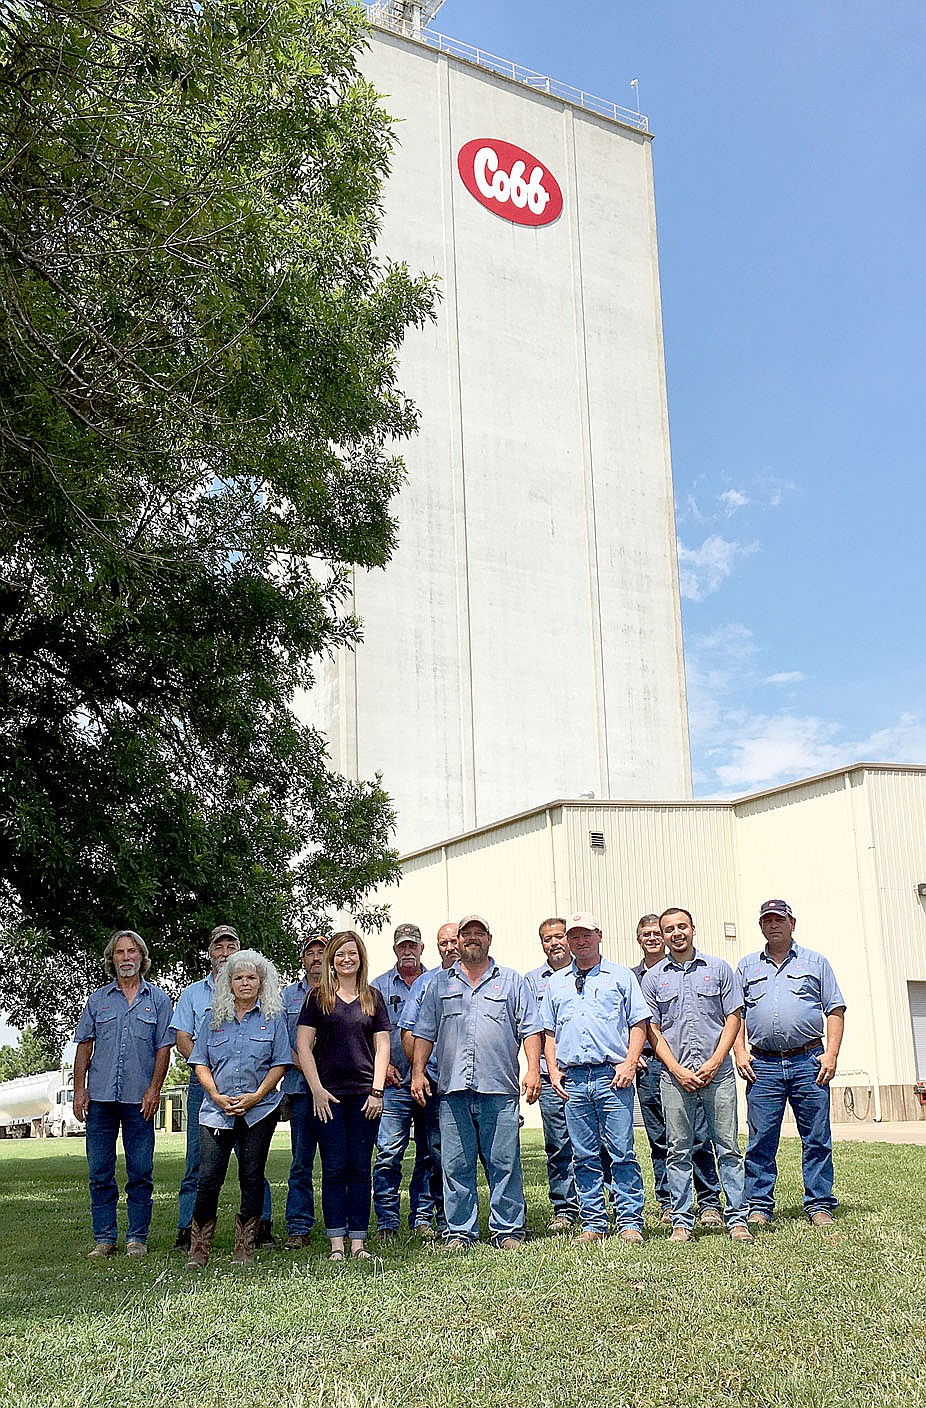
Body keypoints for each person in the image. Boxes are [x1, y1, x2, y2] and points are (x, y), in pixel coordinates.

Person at [411, 914, 542, 1251]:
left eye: (477, 933)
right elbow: (424, 1032)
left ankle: (508, 1231)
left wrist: (531, 1070)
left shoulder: (512, 981)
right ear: (457, 941)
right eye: (464, 934)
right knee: (455, 1164)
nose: (470, 939)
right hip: (452, 1088)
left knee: (504, 1162)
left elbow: (529, 1028)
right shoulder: (439, 984)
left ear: (489, 938)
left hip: (499, 1088)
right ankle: (459, 1232)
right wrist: (418, 1071)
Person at [641, 907, 752, 1243]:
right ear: (662, 935)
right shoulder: (653, 978)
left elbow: (733, 1016)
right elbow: (652, 1029)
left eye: (682, 927)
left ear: (693, 929)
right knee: (677, 1150)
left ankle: (737, 1220)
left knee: (728, 1147)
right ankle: (681, 1222)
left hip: (717, 1075)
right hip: (674, 1079)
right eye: (669, 929)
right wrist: (674, 1068)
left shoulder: (718, 969)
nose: (676, 933)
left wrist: (718, 1060)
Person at [734, 898, 847, 1228]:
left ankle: (819, 1204)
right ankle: (758, 1205)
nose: (773, 925)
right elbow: (736, 1015)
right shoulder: (747, 966)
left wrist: (832, 1054)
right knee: (761, 1139)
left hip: (809, 1061)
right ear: (761, 926)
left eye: (779, 920)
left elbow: (835, 1010)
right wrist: (740, 1052)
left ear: (792, 923)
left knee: (816, 1137)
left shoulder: (816, 962)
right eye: (767, 920)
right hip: (763, 1064)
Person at [542, 913, 649, 1244]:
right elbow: (549, 1031)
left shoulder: (619, 976)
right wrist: (553, 1068)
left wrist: (630, 1063)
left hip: (611, 1076)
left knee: (622, 1152)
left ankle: (630, 1220)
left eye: (586, 935)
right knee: (583, 1154)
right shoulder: (556, 982)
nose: (580, 941)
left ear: (599, 935)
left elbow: (639, 1023)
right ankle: (593, 1222)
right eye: (574, 936)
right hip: (573, 1078)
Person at [169, 924, 274, 1250]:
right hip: (207, 1089)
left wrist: (252, 1092)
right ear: (210, 952)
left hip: (254, 1094)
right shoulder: (193, 994)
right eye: (219, 946)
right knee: (199, 1165)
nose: (225, 952)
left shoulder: (264, 1000)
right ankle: (190, 1232)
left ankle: (260, 1231)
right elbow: (183, 1039)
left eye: (231, 945)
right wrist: (213, 1081)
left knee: (253, 1165)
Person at [186, 949, 291, 1268]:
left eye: (251, 977)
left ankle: (245, 1247)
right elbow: (199, 1061)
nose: (245, 983)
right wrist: (216, 1096)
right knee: (208, 1178)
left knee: (252, 1176)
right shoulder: (213, 1018)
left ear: (261, 983)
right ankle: (199, 1248)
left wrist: (257, 1095)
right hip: (216, 1111)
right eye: (238, 978)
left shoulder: (274, 1018)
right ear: (228, 983)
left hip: (259, 1111)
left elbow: (281, 1062)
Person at [72, 930, 174, 1258]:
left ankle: (136, 1238)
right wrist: (79, 1091)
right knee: (99, 1170)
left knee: (140, 1171)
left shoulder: (158, 1000)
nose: (126, 957)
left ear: (142, 957)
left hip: (139, 1100)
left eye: (132, 952)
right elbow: (84, 1046)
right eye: (120, 952)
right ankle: (104, 1238)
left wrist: (154, 1090)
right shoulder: (98, 1000)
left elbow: (163, 1049)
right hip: (100, 1099)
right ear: (111, 959)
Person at [297, 931, 391, 1261]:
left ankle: (358, 1244)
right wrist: (317, 1090)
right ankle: (337, 1244)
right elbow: (303, 1047)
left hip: (366, 1098)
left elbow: (382, 1047)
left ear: (360, 957)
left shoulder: (373, 998)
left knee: (360, 1169)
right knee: (334, 1169)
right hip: (329, 1099)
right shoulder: (317, 998)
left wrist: (377, 1091)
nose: (346, 959)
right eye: (339, 954)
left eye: (352, 953)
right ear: (331, 961)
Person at [632, 913, 724, 1227]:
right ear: (639, 939)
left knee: (698, 1133)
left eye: (658, 932)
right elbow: (626, 1021)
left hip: (687, 1062)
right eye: (647, 934)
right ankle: (669, 1201)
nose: (654, 937)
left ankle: (709, 1200)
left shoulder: (694, 970)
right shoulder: (634, 977)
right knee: (661, 1138)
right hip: (650, 1066)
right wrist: (631, 1055)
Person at [371, 922, 436, 1241]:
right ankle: (386, 1220)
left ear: (423, 948)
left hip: (430, 1082)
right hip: (394, 1084)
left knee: (429, 1152)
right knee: (387, 1152)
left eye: (413, 945)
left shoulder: (437, 981)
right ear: (395, 949)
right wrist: (379, 1069)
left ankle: (422, 1217)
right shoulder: (379, 987)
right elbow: (365, 1032)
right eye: (402, 946)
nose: (408, 951)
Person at [396, 920, 460, 1237]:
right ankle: (424, 1216)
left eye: (453, 941)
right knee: (430, 1150)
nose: (449, 948)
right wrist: (419, 1071)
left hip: (469, 1082)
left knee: (460, 1153)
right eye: (443, 943)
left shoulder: (480, 978)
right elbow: (408, 1030)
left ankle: (458, 1217)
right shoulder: (425, 983)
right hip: (434, 1081)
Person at [525, 916, 581, 1233]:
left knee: (596, 1145)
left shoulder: (587, 972)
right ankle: (565, 1209)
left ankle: (599, 1206)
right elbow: (533, 1029)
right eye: (548, 939)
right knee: (558, 1145)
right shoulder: (532, 981)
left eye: (560, 936)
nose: (555, 943)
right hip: (550, 1077)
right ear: (542, 944)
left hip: (588, 1073)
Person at [280, 934, 327, 1249]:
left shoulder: (343, 992)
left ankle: (348, 1224)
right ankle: (299, 1228)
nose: (315, 957)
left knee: (340, 1161)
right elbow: (285, 1042)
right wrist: (311, 1074)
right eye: (309, 953)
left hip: (337, 1090)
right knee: (301, 1162)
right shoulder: (286, 997)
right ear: (302, 960)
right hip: (300, 1091)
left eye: (321, 952)